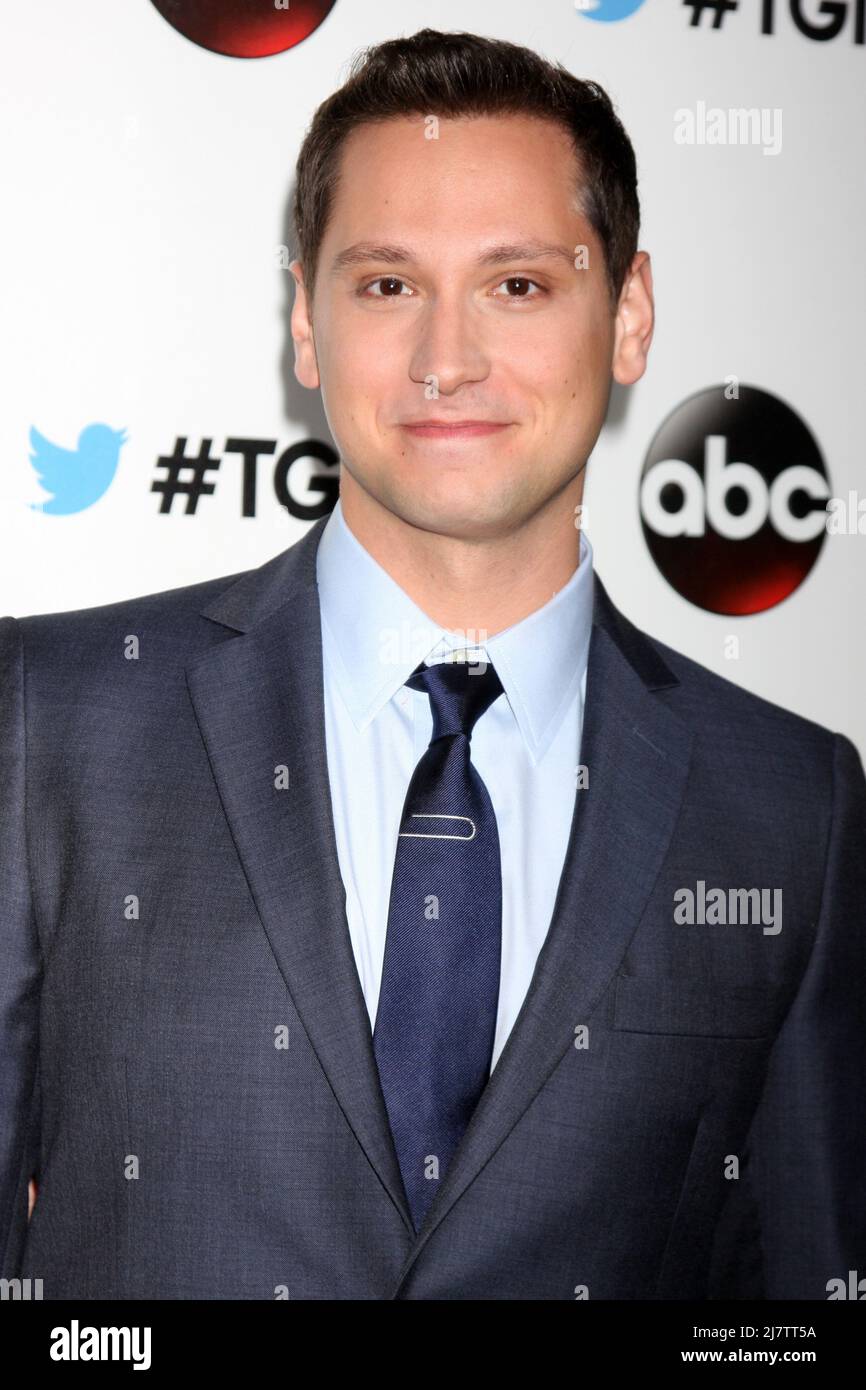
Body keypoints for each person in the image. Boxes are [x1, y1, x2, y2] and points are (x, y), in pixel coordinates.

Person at [2, 28, 863, 1301]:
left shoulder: (789, 805)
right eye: (386, 285)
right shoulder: (50, 723)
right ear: (305, 324)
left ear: (626, 317)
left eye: (516, 285)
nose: (444, 359)